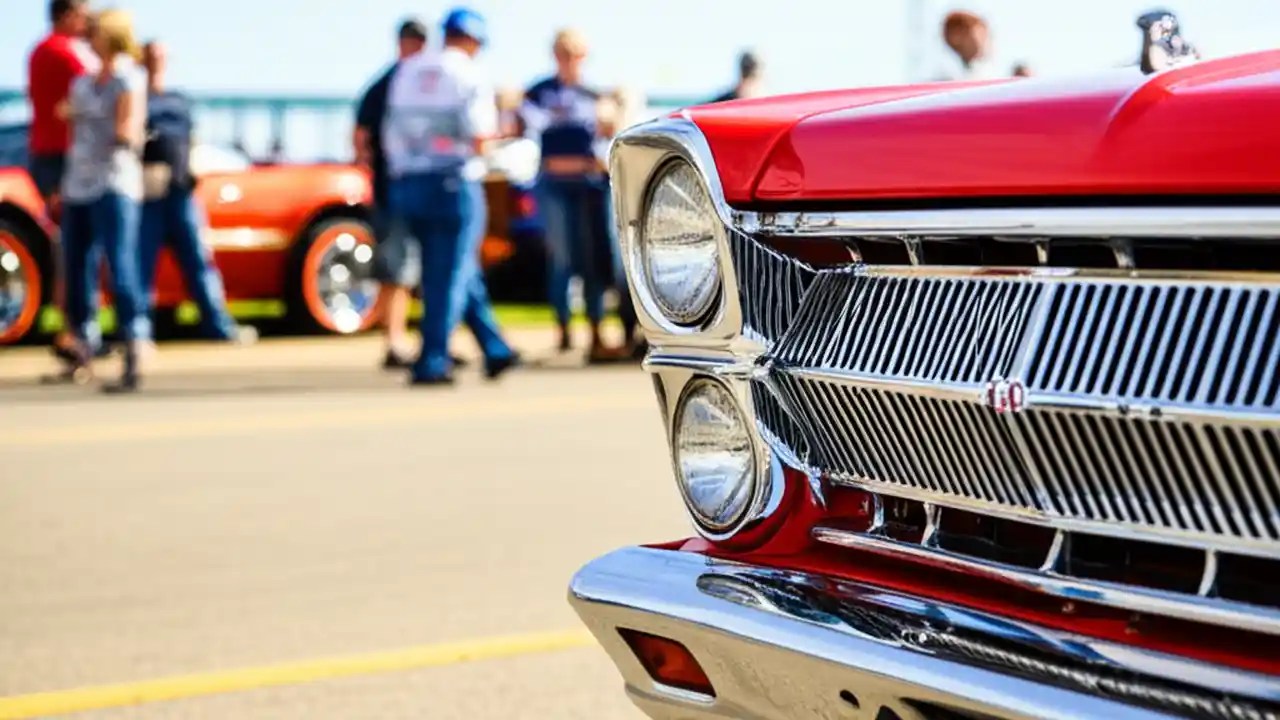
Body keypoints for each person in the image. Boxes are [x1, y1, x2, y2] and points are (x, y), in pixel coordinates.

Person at [383, 7, 519, 386]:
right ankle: (433, 358)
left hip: (410, 182)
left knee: (452, 268)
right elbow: (479, 138)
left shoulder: (409, 70)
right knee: (451, 274)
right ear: (474, 40)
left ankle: (495, 347)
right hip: (454, 183)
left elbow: (391, 130)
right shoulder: (468, 73)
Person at [522, 29, 628, 361]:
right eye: (563, 53)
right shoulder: (540, 93)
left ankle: (596, 329)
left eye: (575, 54)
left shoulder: (596, 94)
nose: (569, 60)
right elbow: (530, 125)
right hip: (555, 184)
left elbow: (611, 132)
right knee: (563, 258)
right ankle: (564, 328)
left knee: (595, 257)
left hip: (590, 185)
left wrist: (615, 111)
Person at [58, 8, 150, 392]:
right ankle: (83, 344)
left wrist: (117, 129)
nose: (88, 37)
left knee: (120, 264)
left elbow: (128, 127)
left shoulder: (129, 76)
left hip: (114, 183)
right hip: (78, 183)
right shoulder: (83, 81)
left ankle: (134, 345)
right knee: (77, 266)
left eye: (94, 31)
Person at [137, 40, 251, 344]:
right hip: (149, 197)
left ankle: (219, 326)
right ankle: (138, 332)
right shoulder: (136, 98)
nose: (157, 61)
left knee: (200, 262)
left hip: (182, 195)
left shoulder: (179, 101)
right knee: (142, 267)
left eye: (161, 56)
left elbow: (193, 140)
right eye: (151, 56)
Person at [28, 0, 101, 363]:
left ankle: (75, 328)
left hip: (48, 156)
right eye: (85, 16)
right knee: (75, 245)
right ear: (68, 15)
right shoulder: (66, 53)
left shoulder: (39, 51)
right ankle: (76, 330)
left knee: (68, 243)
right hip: (64, 159)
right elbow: (101, 85)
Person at [354, 18, 427, 369]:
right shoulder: (387, 85)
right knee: (398, 267)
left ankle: (428, 339)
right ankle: (394, 339)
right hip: (394, 189)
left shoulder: (424, 82)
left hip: (419, 188)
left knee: (421, 268)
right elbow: (361, 137)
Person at [938, 10, 999, 80]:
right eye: (981, 35)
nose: (986, 42)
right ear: (957, 35)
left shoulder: (985, 71)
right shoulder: (948, 77)